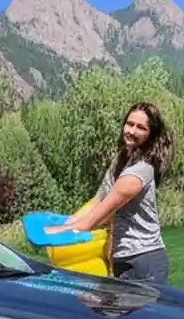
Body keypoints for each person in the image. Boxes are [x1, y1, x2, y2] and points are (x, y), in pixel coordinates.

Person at [45, 101, 171, 285]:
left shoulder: (139, 171)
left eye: (141, 127)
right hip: (123, 259)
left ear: (150, 134)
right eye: (129, 124)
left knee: (116, 313)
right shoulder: (120, 160)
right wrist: (67, 221)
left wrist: (53, 232)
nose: (132, 131)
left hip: (144, 262)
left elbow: (99, 215)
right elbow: (97, 200)